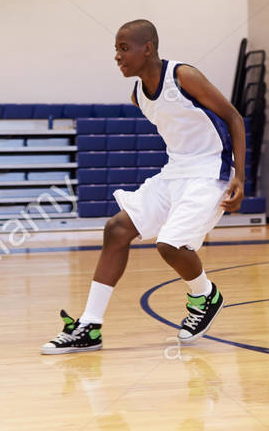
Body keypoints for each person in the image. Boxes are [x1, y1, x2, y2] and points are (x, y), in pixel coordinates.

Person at [40, 19, 246, 354]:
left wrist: (240, 176)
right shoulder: (138, 96)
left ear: (147, 48)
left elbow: (234, 117)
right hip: (175, 172)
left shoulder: (183, 76)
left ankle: (204, 295)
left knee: (170, 245)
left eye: (124, 48)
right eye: (116, 50)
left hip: (211, 171)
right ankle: (89, 326)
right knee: (117, 229)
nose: (118, 57)